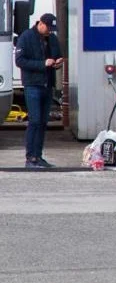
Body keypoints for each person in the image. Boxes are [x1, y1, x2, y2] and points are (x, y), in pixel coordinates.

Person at [14, 13, 63, 169]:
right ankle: (30, 158)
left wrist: (58, 63)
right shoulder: (26, 37)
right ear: (40, 24)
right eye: (48, 28)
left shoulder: (52, 39)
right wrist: (43, 64)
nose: (50, 31)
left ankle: (38, 156)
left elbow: (57, 56)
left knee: (42, 122)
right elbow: (20, 61)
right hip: (33, 85)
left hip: (47, 85)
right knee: (34, 121)